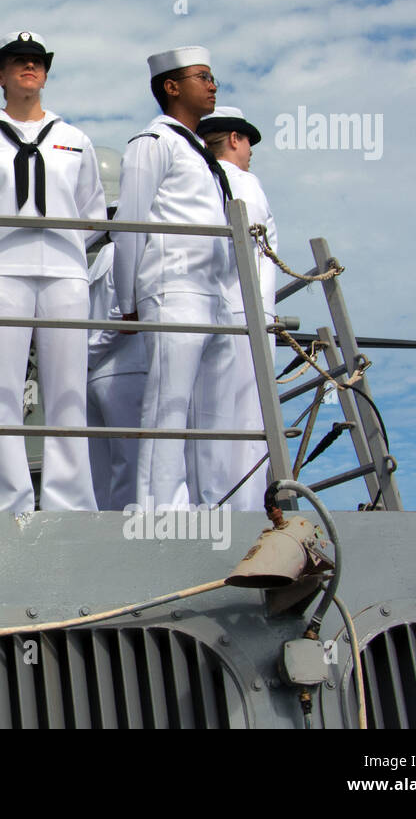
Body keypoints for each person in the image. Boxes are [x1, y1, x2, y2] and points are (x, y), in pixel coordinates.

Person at [0, 32, 104, 513]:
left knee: (68, 390)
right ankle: (3, 502)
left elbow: (93, 214)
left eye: (37, 62)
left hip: (65, 274)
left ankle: (70, 502)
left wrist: (68, 250)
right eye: (18, 62)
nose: (29, 68)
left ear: (45, 73)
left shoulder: (74, 140)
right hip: (0, 272)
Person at [113, 46, 235, 508]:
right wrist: (129, 299)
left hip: (213, 293)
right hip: (174, 287)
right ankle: (158, 506)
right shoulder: (154, 142)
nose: (212, 85)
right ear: (171, 86)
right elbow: (131, 225)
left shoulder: (199, 152)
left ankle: (211, 502)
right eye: (202, 76)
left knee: (210, 411)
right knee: (169, 403)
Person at [199, 106, 276, 510]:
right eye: (247, 142)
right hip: (247, 314)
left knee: (209, 420)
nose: (250, 151)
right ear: (233, 139)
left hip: (209, 310)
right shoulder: (242, 180)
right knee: (247, 422)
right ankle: (243, 512)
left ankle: (210, 505)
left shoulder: (202, 180)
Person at [85, 151, 148, 510]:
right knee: (134, 466)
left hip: (95, 378)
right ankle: (134, 537)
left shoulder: (91, 265)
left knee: (103, 472)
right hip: (126, 371)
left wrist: (83, 362)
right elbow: (121, 316)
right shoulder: (120, 256)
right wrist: (88, 356)